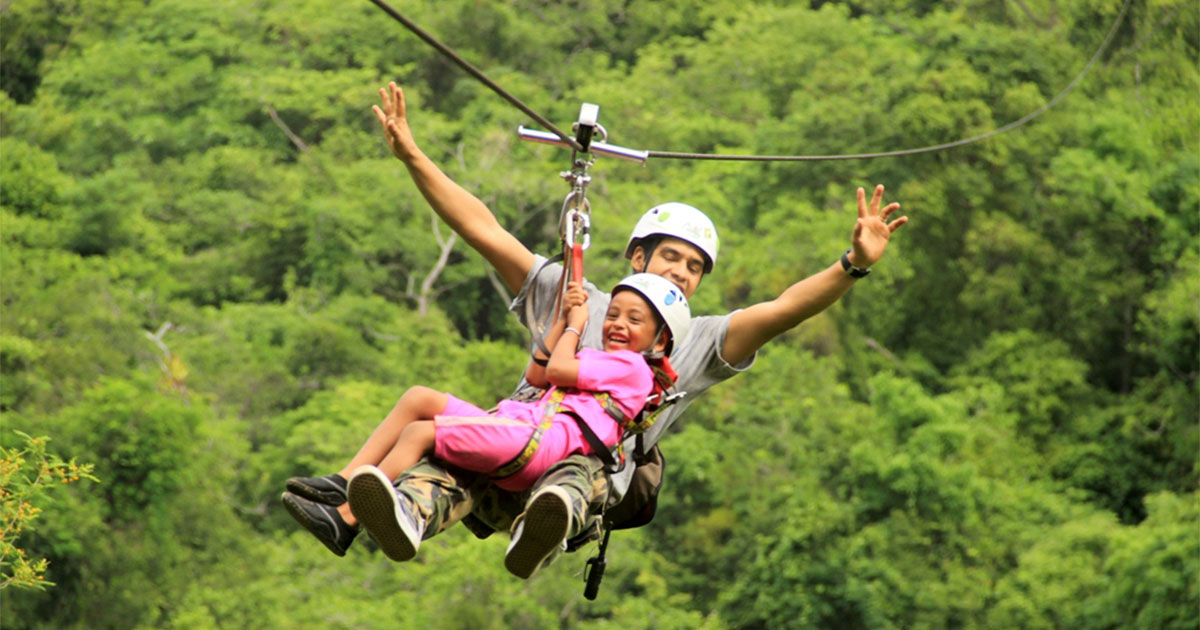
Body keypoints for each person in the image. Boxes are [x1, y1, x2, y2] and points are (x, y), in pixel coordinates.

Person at [333, 80, 907, 579]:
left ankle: (543, 524)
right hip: (514, 445)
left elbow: (782, 310)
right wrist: (413, 157)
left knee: (578, 469)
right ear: (637, 257)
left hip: (581, 478)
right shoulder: (575, 296)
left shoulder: (696, 340)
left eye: (694, 267)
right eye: (671, 257)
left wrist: (851, 266)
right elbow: (485, 231)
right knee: (450, 452)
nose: (681, 272)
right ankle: (405, 514)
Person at [281, 273, 691, 562]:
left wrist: (574, 327)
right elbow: (538, 375)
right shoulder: (602, 360)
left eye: (634, 319)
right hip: (521, 428)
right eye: (613, 314)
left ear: (659, 340)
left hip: (538, 443)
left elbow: (556, 370)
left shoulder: (634, 368)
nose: (617, 324)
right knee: (420, 398)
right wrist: (563, 323)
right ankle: (343, 481)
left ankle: (346, 519)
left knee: (420, 433)